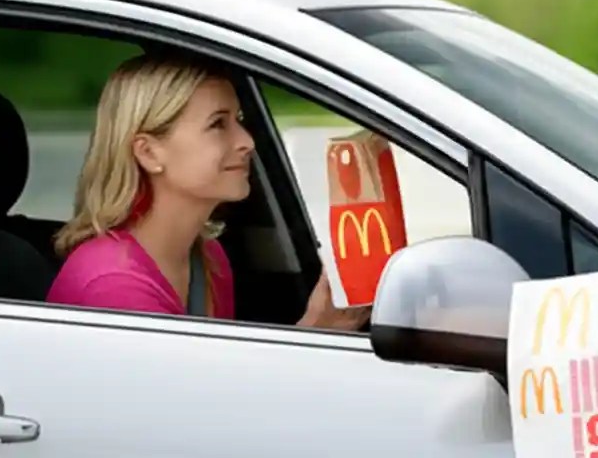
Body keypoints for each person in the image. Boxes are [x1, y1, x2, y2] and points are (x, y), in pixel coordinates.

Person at [47, 51, 366, 331]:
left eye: (238, 120)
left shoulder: (207, 257)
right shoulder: (115, 286)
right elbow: (193, 398)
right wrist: (312, 332)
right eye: (217, 124)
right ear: (149, 153)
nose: (247, 142)